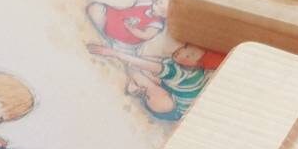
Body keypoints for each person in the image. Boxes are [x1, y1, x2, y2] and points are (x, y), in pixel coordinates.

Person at [89, 41, 227, 122]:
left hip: (174, 110)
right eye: (185, 48)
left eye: (189, 55)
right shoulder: (178, 65)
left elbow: (146, 64)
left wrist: (113, 53)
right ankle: (140, 85)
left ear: (195, 64)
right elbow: (152, 60)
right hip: (171, 91)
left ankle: (141, 90)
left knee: (136, 70)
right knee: (139, 68)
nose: (181, 52)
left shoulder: (179, 73)